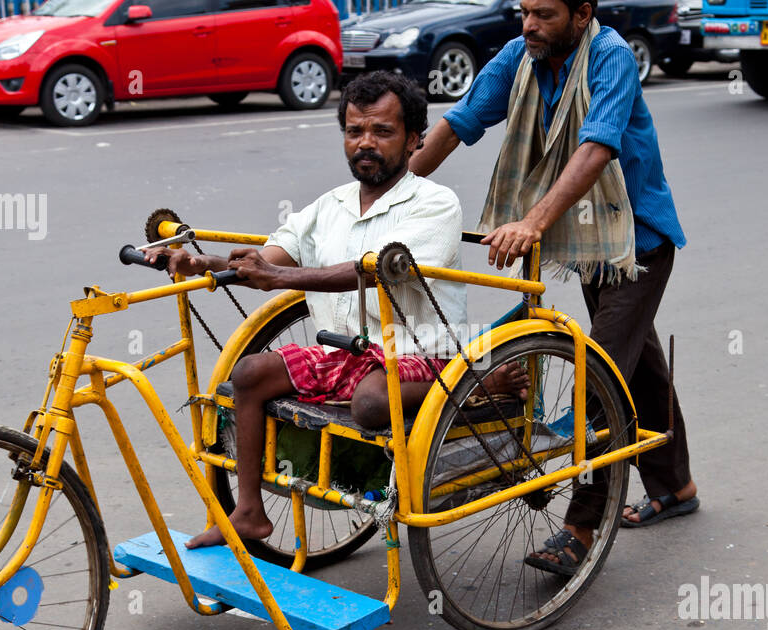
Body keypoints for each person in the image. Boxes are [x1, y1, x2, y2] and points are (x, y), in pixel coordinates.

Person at [148, 70, 526, 548]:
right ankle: (247, 512)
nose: (365, 143)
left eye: (382, 131)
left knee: (370, 403)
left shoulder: (436, 204)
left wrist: (280, 278)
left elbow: (380, 270)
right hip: (347, 354)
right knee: (248, 373)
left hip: (420, 353)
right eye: (354, 131)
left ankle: (476, 382)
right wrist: (198, 261)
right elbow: (268, 259)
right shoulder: (330, 205)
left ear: (413, 140)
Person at [409, 0, 698, 576]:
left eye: (544, 14)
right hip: (586, 240)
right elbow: (458, 123)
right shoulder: (520, 58)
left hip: (634, 239)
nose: (529, 24)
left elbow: (596, 145)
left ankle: (578, 530)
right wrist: (390, 194)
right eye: (524, 12)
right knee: (633, 361)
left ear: (581, 14)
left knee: (599, 378)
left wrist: (533, 221)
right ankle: (676, 488)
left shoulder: (611, 56)